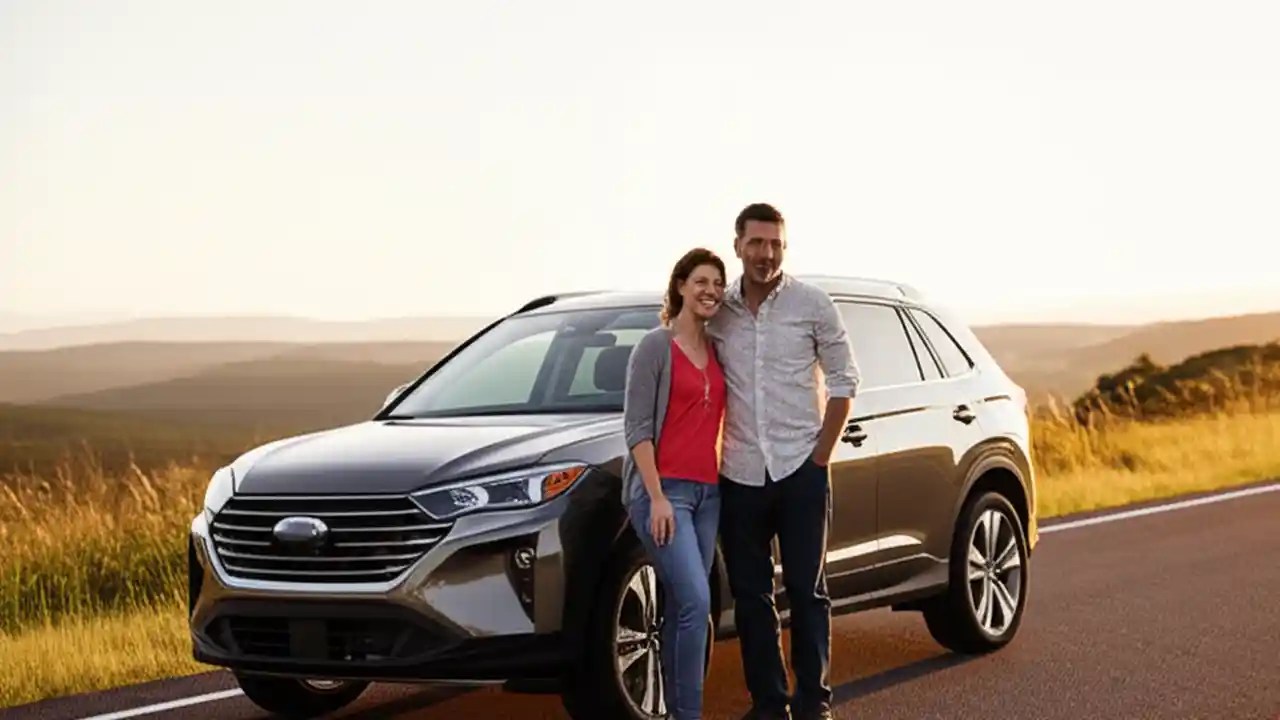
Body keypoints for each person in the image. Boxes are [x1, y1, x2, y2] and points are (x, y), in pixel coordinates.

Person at [706, 203, 860, 720]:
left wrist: (820, 457)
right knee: (751, 597)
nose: (765, 254)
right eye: (756, 243)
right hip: (740, 474)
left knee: (806, 590)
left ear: (784, 248)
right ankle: (770, 705)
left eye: (775, 244)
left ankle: (814, 703)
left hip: (801, 471)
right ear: (737, 246)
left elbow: (844, 382)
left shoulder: (812, 304)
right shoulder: (719, 313)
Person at [622, 247, 730, 720]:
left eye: (718, 284)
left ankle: (670, 712)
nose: (710, 291)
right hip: (665, 495)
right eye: (701, 281)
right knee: (696, 599)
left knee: (684, 609)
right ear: (681, 286)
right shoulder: (655, 347)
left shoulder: (717, 348)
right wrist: (658, 497)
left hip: (709, 494)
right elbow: (637, 430)